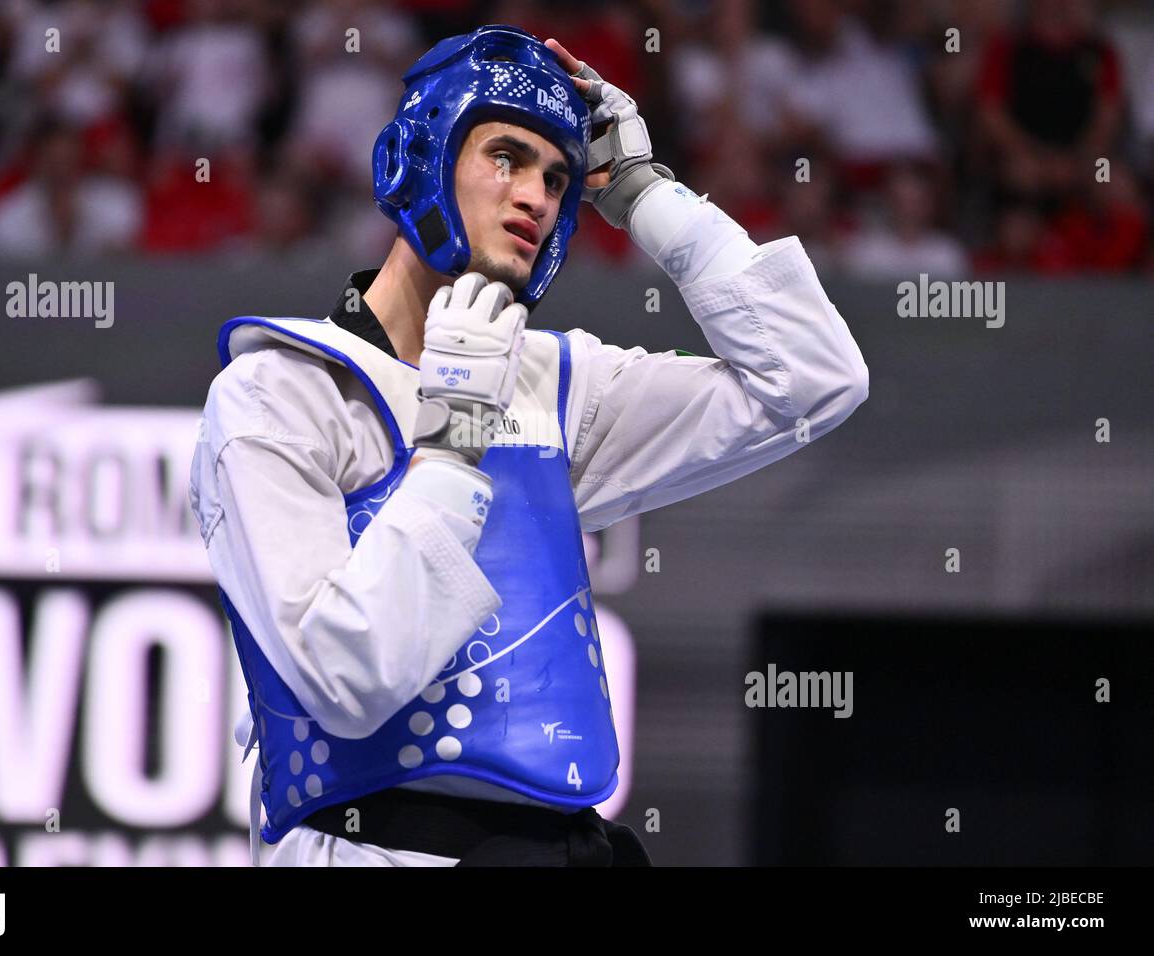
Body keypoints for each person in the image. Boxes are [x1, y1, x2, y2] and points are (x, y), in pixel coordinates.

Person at [189, 24, 869, 866]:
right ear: (420, 160)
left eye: (558, 176)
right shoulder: (277, 393)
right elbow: (347, 678)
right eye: (505, 157)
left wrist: (643, 192)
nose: (539, 197)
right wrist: (452, 441)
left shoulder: (548, 382)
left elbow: (811, 377)